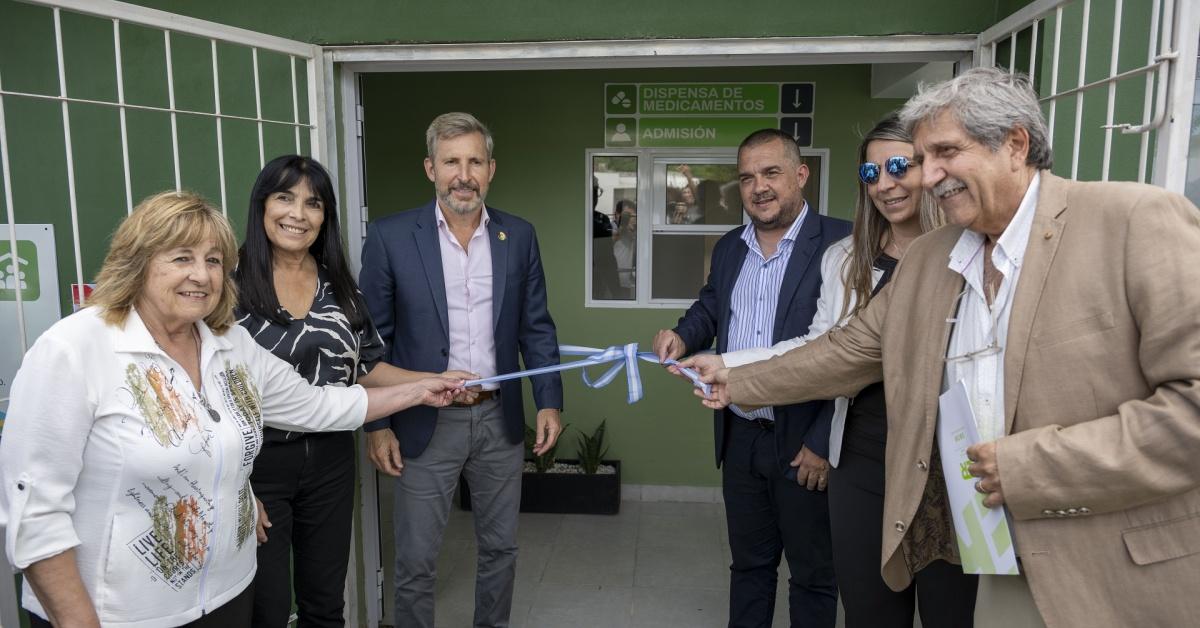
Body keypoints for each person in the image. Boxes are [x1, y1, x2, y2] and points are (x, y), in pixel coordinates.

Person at [697, 67, 1200, 628]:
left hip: (1104, 556)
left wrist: (1027, 467)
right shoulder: (932, 255)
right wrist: (733, 378)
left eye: (945, 154)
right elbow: (844, 351)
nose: (929, 176)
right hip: (986, 540)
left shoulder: (1133, 221)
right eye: (922, 158)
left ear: (1015, 144)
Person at [0, 191, 461, 628]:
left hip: (230, 596)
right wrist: (76, 620)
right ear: (137, 262)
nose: (201, 275)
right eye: (182, 258)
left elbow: (318, 405)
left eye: (214, 260)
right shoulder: (76, 348)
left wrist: (421, 390)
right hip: (120, 614)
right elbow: (34, 511)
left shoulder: (230, 344)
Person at [680, 114, 978, 628]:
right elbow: (826, 350)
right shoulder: (846, 256)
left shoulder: (970, 253)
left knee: (947, 610)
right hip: (860, 458)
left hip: (945, 460)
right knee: (869, 608)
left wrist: (738, 376)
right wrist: (727, 365)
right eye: (870, 173)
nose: (884, 184)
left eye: (899, 167)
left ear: (931, 169)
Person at [234, 155, 477, 627]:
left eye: (313, 203)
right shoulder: (230, 285)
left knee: (325, 604)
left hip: (330, 460)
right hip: (258, 465)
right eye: (284, 198)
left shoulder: (339, 286)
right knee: (267, 608)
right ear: (262, 205)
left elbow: (365, 368)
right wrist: (233, 484)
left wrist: (433, 381)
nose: (298, 214)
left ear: (325, 216)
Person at [359, 112, 564, 628]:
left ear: (491, 169)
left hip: (499, 418)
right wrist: (378, 423)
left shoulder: (519, 235)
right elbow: (370, 344)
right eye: (452, 162)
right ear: (431, 168)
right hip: (424, 420)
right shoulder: (390, 237)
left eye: (475, 161)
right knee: (416, 560)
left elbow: (536, 327)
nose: (464, 175)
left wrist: (549, 401)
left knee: (501, 550)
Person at [652, 128, 850, 628]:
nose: (758, 187)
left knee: (813, 577)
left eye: (770, 173)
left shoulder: (841, 244)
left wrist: (823, 440)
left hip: (803, 439)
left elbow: (848, 350)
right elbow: (712, 306)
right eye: (746, 178)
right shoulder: (729, 247)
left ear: (800, 175)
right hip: (740, 435)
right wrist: (682, 336)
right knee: (749, 568)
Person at [612, 199, 637, 299]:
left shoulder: (632, 230)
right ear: (616, 215)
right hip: (612, 282)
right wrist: (623, 226)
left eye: (632, 216)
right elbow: (612, 237)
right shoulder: (612, 227)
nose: (629, 219)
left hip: (626, 282)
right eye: (626, 215)